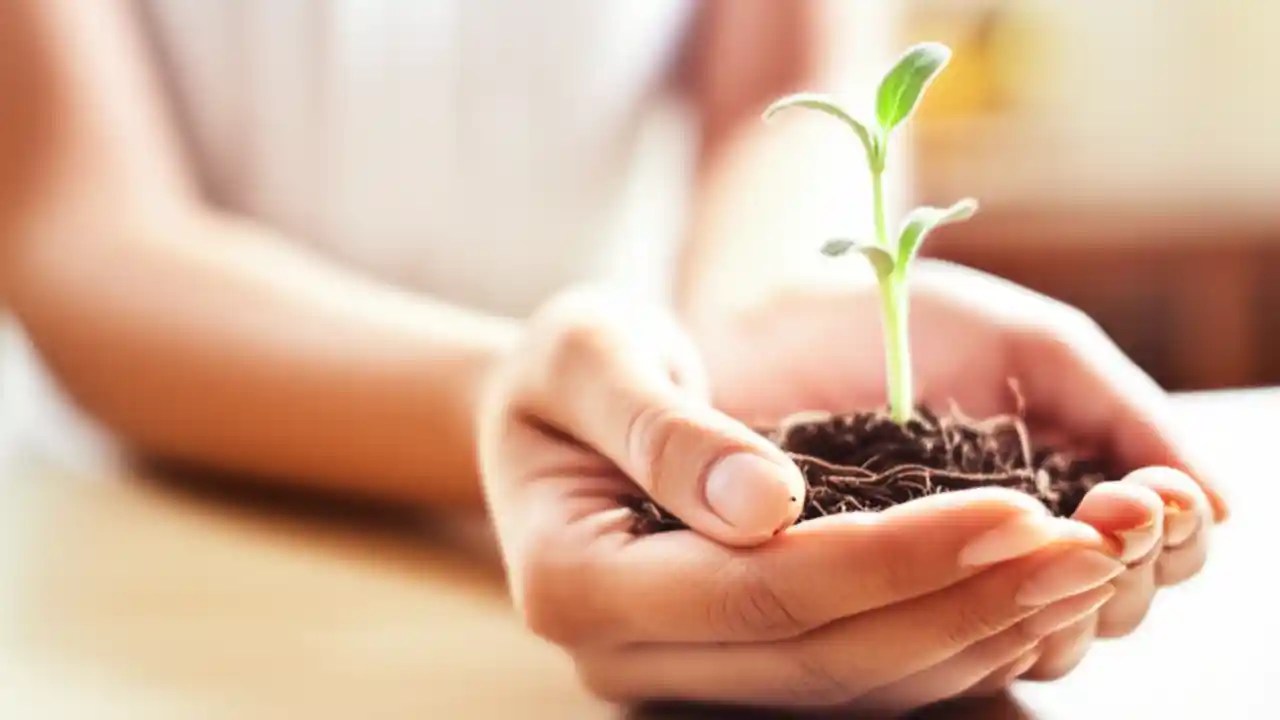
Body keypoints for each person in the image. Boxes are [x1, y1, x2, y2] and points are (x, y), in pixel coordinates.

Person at [0, 0, 1226, 712]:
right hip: (150, 551)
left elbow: (789, 83)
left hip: (627, 481)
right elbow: (80, 224)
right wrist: (503, 401)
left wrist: (759, 342)